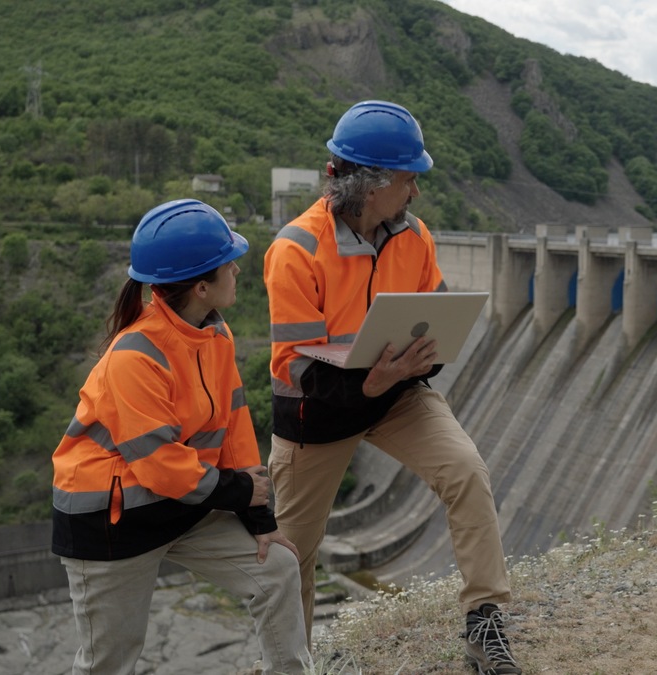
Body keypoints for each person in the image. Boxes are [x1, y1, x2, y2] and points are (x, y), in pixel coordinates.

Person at [265, 100, 521, 674]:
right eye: (409, 179)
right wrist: (370, 382)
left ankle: (486, 622)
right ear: (369, 186)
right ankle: (290, 665)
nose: (416, 192)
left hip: (399, 394)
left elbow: (436, 327)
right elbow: (297, 370)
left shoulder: (415, 237)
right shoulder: (296, 250)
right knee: (291, 556)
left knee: (466, 471)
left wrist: (409, 369)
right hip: (318, 415)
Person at [50, 199, 310, 675]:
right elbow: (159, 464)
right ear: (201, 286)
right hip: (112, 522)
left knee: (276, 570)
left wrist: (260, 518)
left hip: (182, 505)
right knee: (109, 661)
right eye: (227, 262)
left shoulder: (215, 334)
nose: (237, 269)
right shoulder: (134, 358)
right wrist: (239, 491)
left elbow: (234, 427)